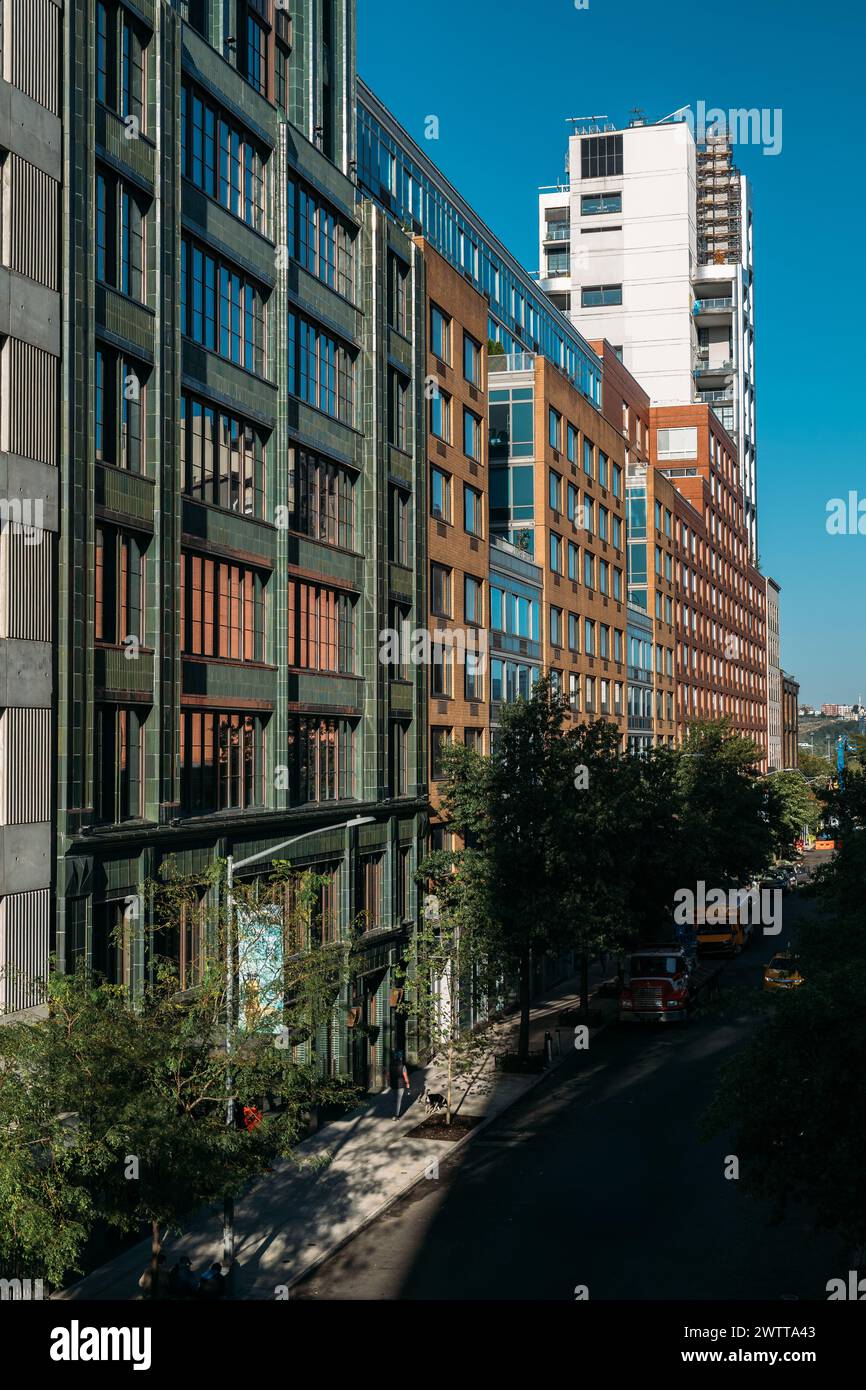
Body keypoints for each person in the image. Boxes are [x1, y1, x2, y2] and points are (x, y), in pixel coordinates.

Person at [390, 1049, 411, 1119]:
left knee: (394, 1100)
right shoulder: (403, 1066)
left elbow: (387, 1075)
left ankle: (395, 1112)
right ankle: (395, 1115)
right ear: (400, 1058)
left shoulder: (391, 1065)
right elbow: (405, 1076)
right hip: (400, 1085)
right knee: (398, 1101)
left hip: (393, 1084)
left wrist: (389, 1082)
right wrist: (407, 1083)